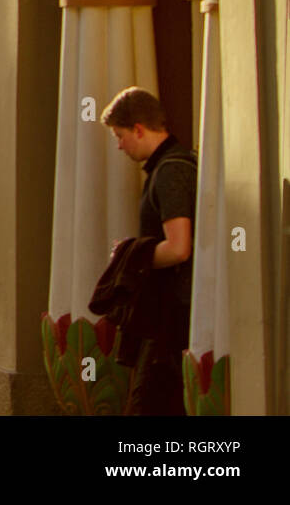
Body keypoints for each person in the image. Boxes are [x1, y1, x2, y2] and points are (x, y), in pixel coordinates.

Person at [100, 86, 197, 416]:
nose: (119, 145)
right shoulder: (169, 167)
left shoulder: (171, 170)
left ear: (139, 129)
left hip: (172, 320)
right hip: (168, 316)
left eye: (120, 135)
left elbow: (180, 248)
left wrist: (129, 255)